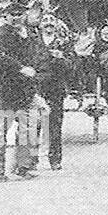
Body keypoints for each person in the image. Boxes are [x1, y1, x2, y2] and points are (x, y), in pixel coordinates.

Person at [0, 2, 40, 181]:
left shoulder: (29, 35)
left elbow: (36, 57)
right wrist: (21, 68)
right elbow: (0, 57)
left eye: (20, 14)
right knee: (0, 133)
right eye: (12, 14)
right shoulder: (0, 35)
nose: (17, 17)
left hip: (24, 91)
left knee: (27, 130)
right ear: (6, 17)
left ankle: (22, 167)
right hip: (4, 91)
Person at [34, 12, 74, 170]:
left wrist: (62, 58)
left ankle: (55, 160)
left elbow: (73, 67)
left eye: (52, 20)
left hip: (55, 89)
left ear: (56, 24)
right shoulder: (33, 42)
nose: (48, 23)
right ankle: (31, 161)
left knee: (54, 126)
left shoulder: (63, 44)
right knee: (33, 125)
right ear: (40, 24)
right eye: (45, 20)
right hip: (36, 88)